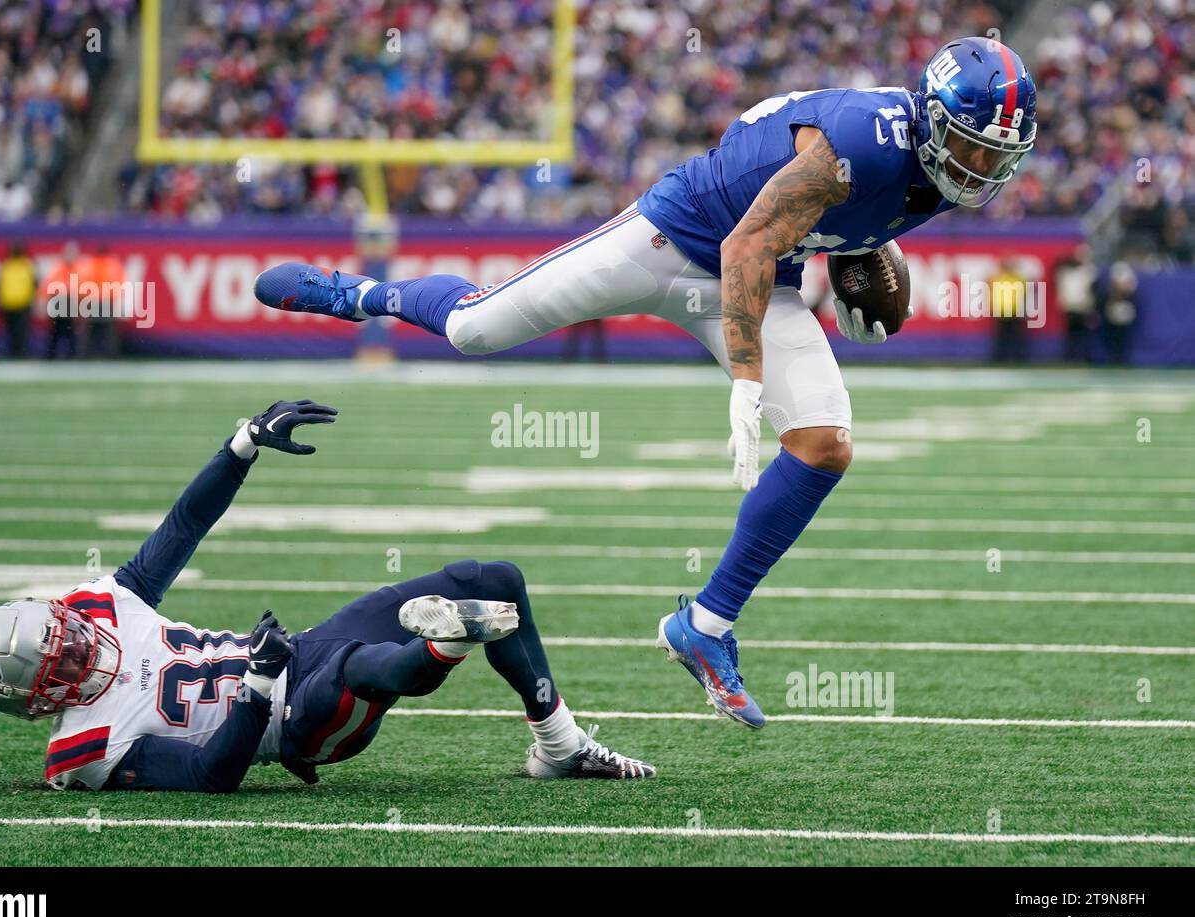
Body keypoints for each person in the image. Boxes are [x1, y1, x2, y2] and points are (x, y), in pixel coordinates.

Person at [254, 38, 1039, 729]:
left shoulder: (932, 177)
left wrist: (858, 263)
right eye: (970, 147)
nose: (981, 168)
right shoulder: (865, 144)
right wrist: (746, 379)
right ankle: (357, 294)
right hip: (676, 240)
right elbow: (747, 241)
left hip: (770, 277)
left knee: (825, 441)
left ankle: (706, 622)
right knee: (475, 329)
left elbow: (828, 226)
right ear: (932, 119)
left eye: (996, 155)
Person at [0, 401, 654, 792]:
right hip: (292, 722)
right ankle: (445, 642)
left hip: (299, 649)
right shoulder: (82, 748)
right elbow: (209, 775)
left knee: (494, 577)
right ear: (44, 697)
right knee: (358, 669)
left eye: (60, 628)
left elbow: (183, 526)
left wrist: (242, 443)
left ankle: (558, 744)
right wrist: (258, 683)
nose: (77, 640)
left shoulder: (98, 608)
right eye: (61, 657)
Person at [0, 241, 36, 358]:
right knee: (11, 332)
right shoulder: (6, 265)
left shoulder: (27, 265)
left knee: (21, 333)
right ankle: (12, 354)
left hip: (22, 304)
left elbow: (34, 284)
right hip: (8, 304)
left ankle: (21, 354)